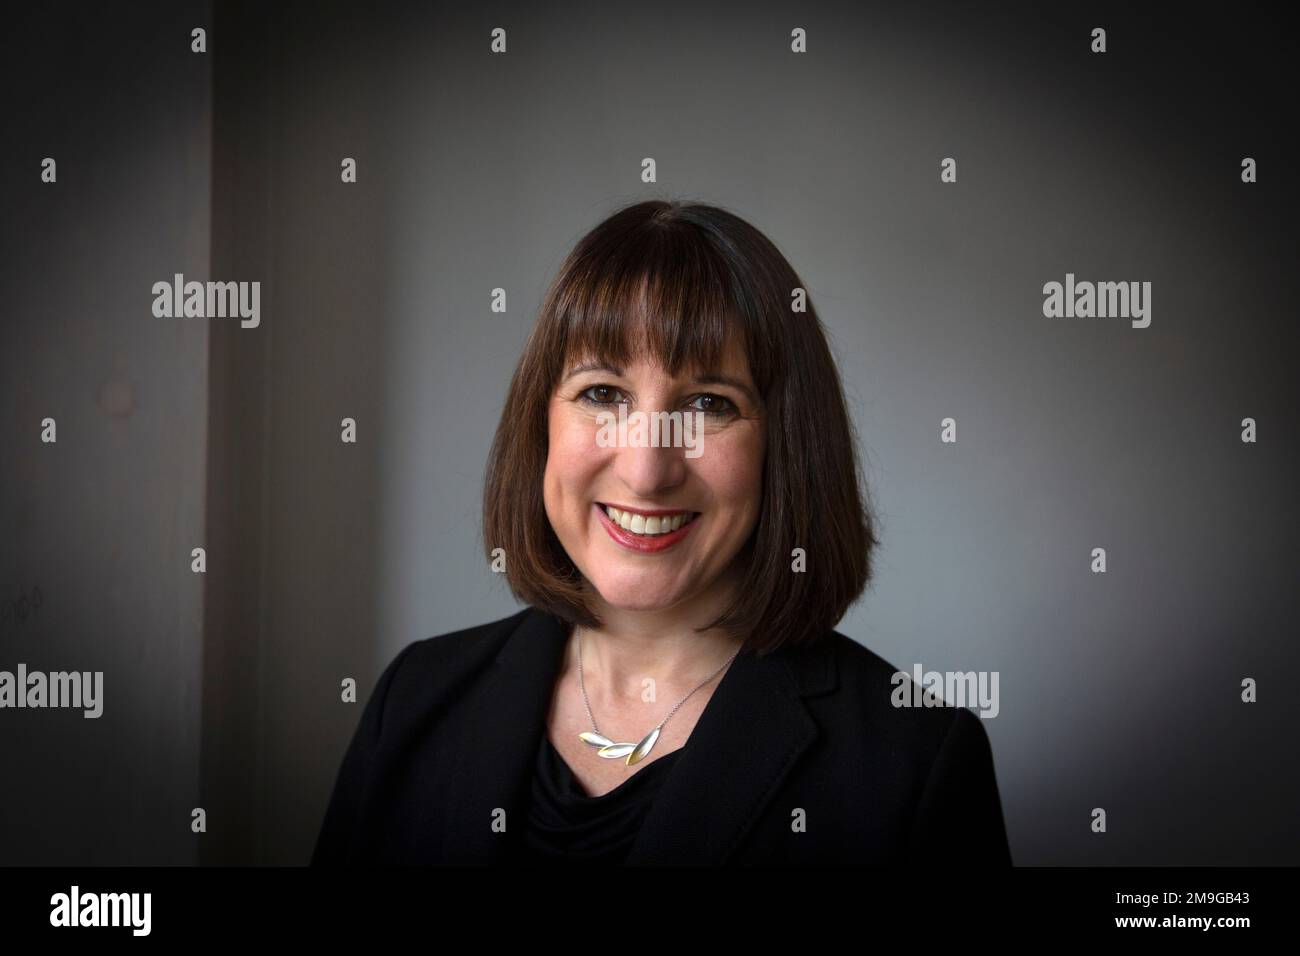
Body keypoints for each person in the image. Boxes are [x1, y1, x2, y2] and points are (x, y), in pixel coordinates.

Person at [311, 199, 1012, 865]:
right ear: (541, 422)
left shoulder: (915, 761)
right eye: (603, 393)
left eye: (708, 404)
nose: (647, 470)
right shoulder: (413, 700)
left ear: (786, 444)